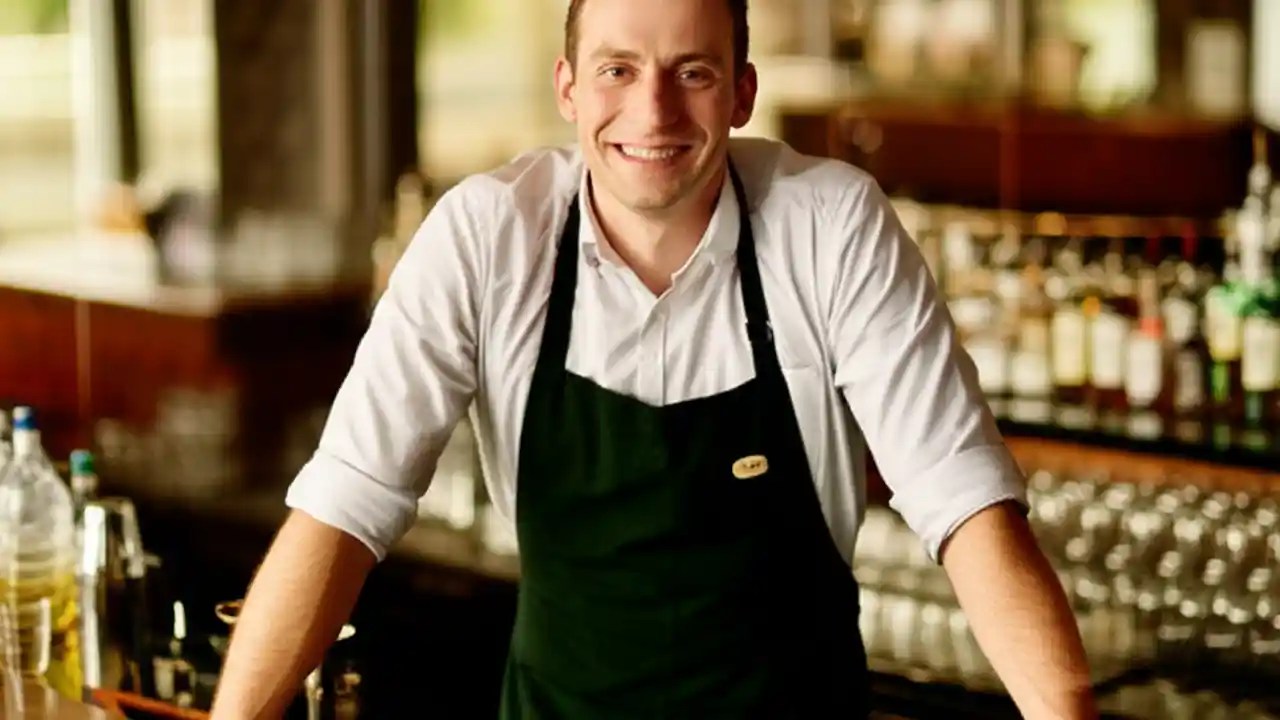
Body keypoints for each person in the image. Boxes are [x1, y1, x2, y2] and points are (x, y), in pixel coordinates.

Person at [211, 0, 1098, 717]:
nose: (654, 112)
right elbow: (345, 504)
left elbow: (965, 504)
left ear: (743, 91)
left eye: (694, 72)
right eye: (617, 70)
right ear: (567, 86)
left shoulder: (831, 226)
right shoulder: (488, 237)